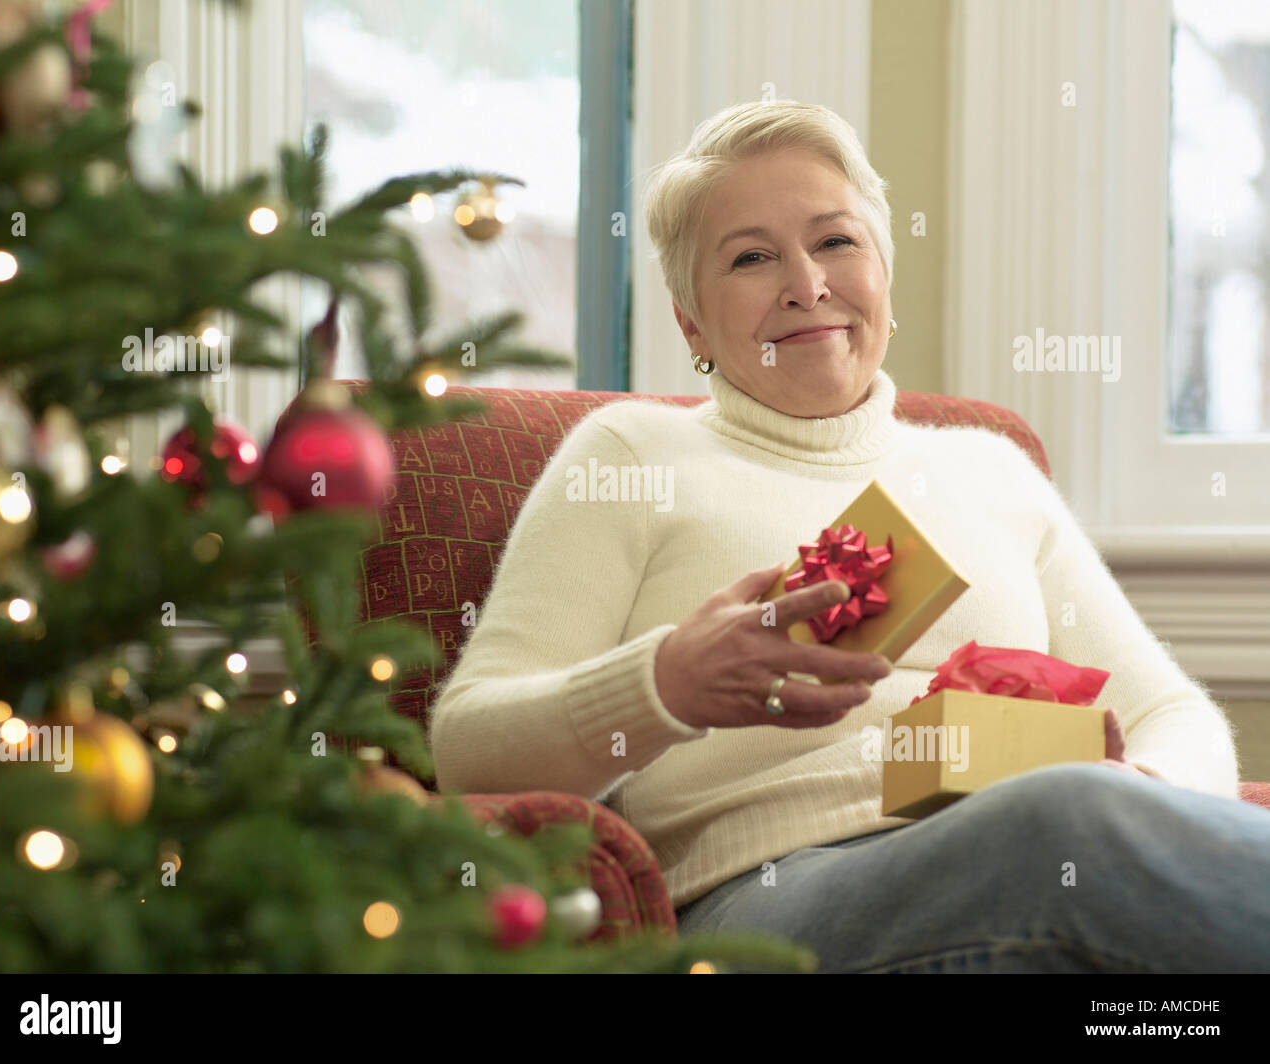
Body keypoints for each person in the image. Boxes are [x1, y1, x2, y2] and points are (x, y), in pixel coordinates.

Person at [427, 100, 1270, 973]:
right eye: (752, 258)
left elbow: (1171, 714)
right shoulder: (632, 456)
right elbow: (468, 754)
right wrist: (665, 684)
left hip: (1046, 861)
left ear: (883, 275)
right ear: (690, 323)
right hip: (768, 900)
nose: (807, 284)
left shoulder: (991, 472)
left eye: (836, 242)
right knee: (1066, 820)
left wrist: (1148, 796)